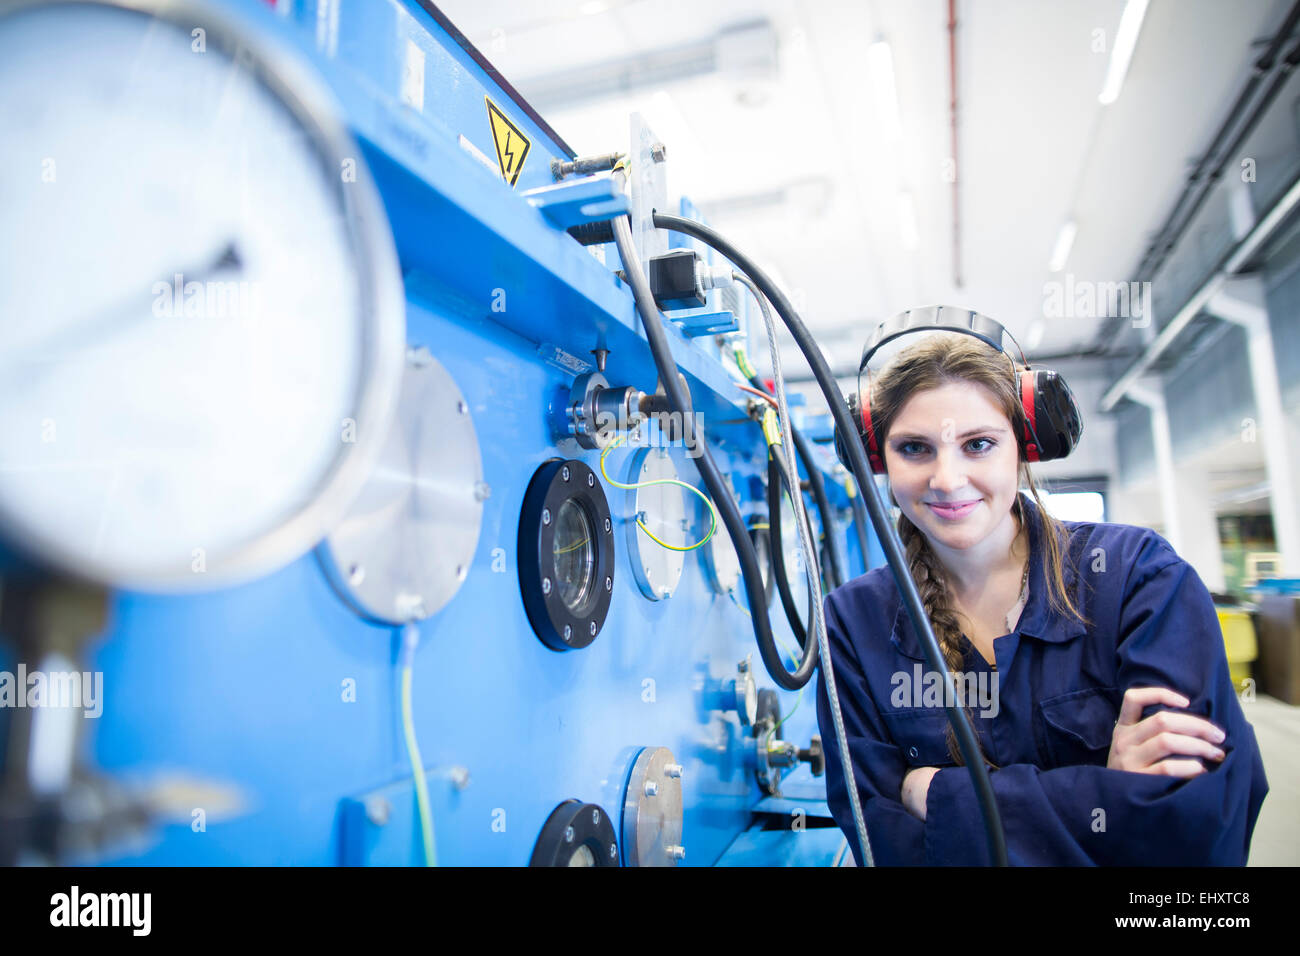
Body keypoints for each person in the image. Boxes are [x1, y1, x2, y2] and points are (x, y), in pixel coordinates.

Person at [816, 327, 1269, 866]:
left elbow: (1196, 822)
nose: (947, 478)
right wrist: (1103, 792)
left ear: (1024, 446)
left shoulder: (1138, 579)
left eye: (978, 444)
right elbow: (877, 838)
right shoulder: (851, 622)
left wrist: (931, 794)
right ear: (879, 461)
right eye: (914, 449)